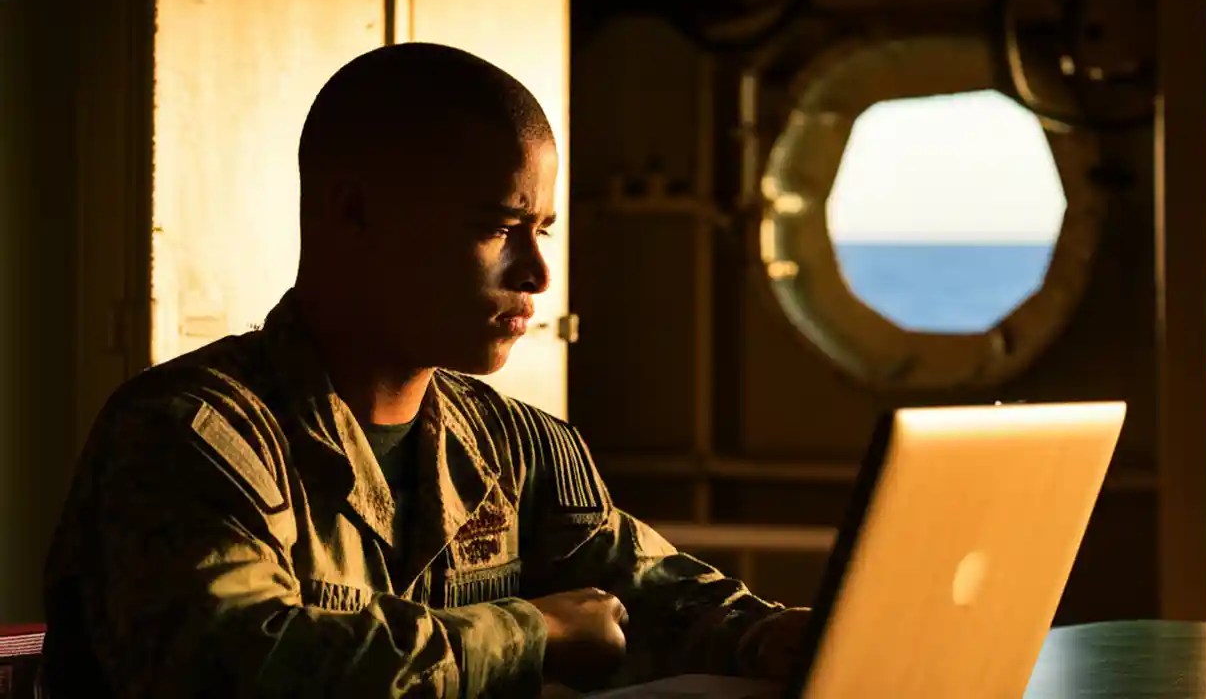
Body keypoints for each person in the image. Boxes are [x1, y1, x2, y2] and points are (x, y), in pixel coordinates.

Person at [42, 43, 809, 698]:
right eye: (498, 228)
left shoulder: (516, 445)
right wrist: (530, 632)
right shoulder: (193, 438)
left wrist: (766, 636)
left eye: (541, 229)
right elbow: (241, 662)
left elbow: (640, 584)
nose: (538, 273)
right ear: (353, 213)